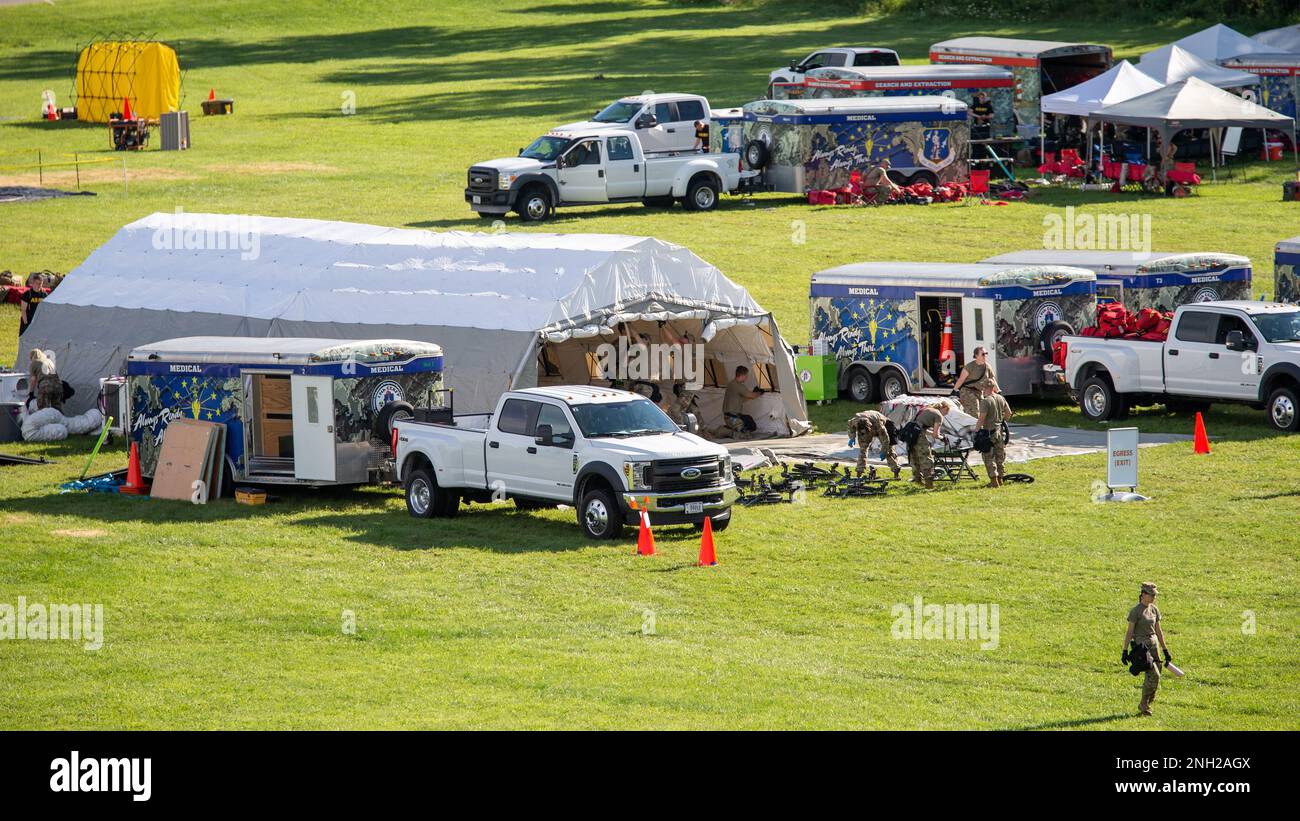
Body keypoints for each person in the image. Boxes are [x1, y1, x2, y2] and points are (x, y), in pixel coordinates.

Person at [1122, 582, 1173, 716]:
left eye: (1155, 595)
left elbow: (1159, 631)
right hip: (1142, 648)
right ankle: (1144, 704)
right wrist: (1125, 650)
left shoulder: (1154, 609)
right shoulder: (1135, 611)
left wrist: (1165, 650)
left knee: (1156, 676)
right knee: (1153, 674)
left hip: (1154, 644)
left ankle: (1147, 702)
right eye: (1151, 595)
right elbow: (1129, 632)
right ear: (1143, 594)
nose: (1154, 598)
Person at [847, 409, 900, 478]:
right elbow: (850, 426)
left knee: (889, 451)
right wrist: (852, 437)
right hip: (866, 428)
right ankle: (859, 472)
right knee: (863, 449)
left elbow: (885, 440)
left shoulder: (878, 424)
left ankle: (896, 471)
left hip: (884, 426)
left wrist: (884, 451)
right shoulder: (856, 421)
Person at [907, 402, 948, 489]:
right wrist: (943, 437)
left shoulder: (925, 409)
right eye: (946, 412)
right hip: (918, 435)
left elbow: (922, 428)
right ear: (944, 408)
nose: (945, 415)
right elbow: (935, 435)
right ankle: (929, 484)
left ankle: (918, 481)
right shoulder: (939, 415)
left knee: (915, 457)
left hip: (910, 434)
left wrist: (936, 434)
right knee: (926, 458)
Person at [975, 383, 1005, 487]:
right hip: (999, 431)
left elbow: (981, 418)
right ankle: (1001, 478)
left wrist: (976, 431)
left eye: (982, 387)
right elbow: (1008, 413)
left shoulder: (985, 401)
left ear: (985, 388)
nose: (982, 390)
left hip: (989, 432)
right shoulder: (1001, 398)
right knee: (1000, 456)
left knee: (988, 457)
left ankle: (994, 481)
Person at [952, 346, 995, 415]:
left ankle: (978, 425)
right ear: (976, 355)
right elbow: (961, 379)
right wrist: (954, 390)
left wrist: (998, 391)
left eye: (986, 353)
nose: (985, 356)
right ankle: (973, 425)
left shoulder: (987, 366)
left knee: (983, 412)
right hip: (967, 391)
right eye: (983, 354)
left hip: (979, 392)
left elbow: (992, 380)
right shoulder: (969, 366)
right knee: (974, 412)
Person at [723, 365, 763, 435]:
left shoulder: (731, 384)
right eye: (746, 376)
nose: (746, 378)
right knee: (751, 426)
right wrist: (759, 392)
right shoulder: (739, 386)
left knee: (748, 418)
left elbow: (743, 399)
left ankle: (732, 428)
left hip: (727, 416)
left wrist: (753, 393)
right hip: (733, 417)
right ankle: (736, 430)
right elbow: (751, 396)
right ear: (742, 375)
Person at [18, 272, 49, 336]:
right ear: (32, 283)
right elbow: (23, 310)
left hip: (39, 322)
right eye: (37, 283)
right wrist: (26, 324)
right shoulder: (27, 294)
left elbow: (46, 309)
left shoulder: (44, 294)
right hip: (28, 321)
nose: (38, 285)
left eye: (40, 283)